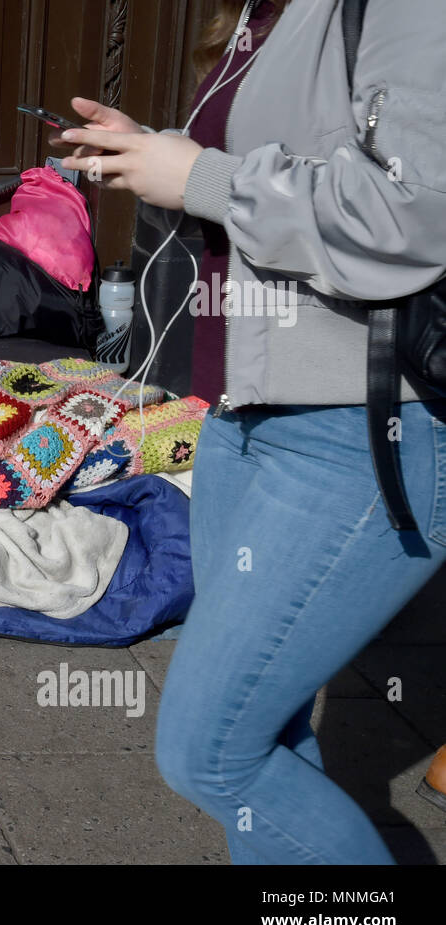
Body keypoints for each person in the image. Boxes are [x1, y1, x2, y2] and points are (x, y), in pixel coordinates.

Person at [58, 0, 446, 863]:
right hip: (248, 412)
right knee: (265, 733)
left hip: (360, 430)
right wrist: (153, 153)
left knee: (211, 752)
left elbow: (415, 211)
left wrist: (203, 178)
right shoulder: (268, 10)